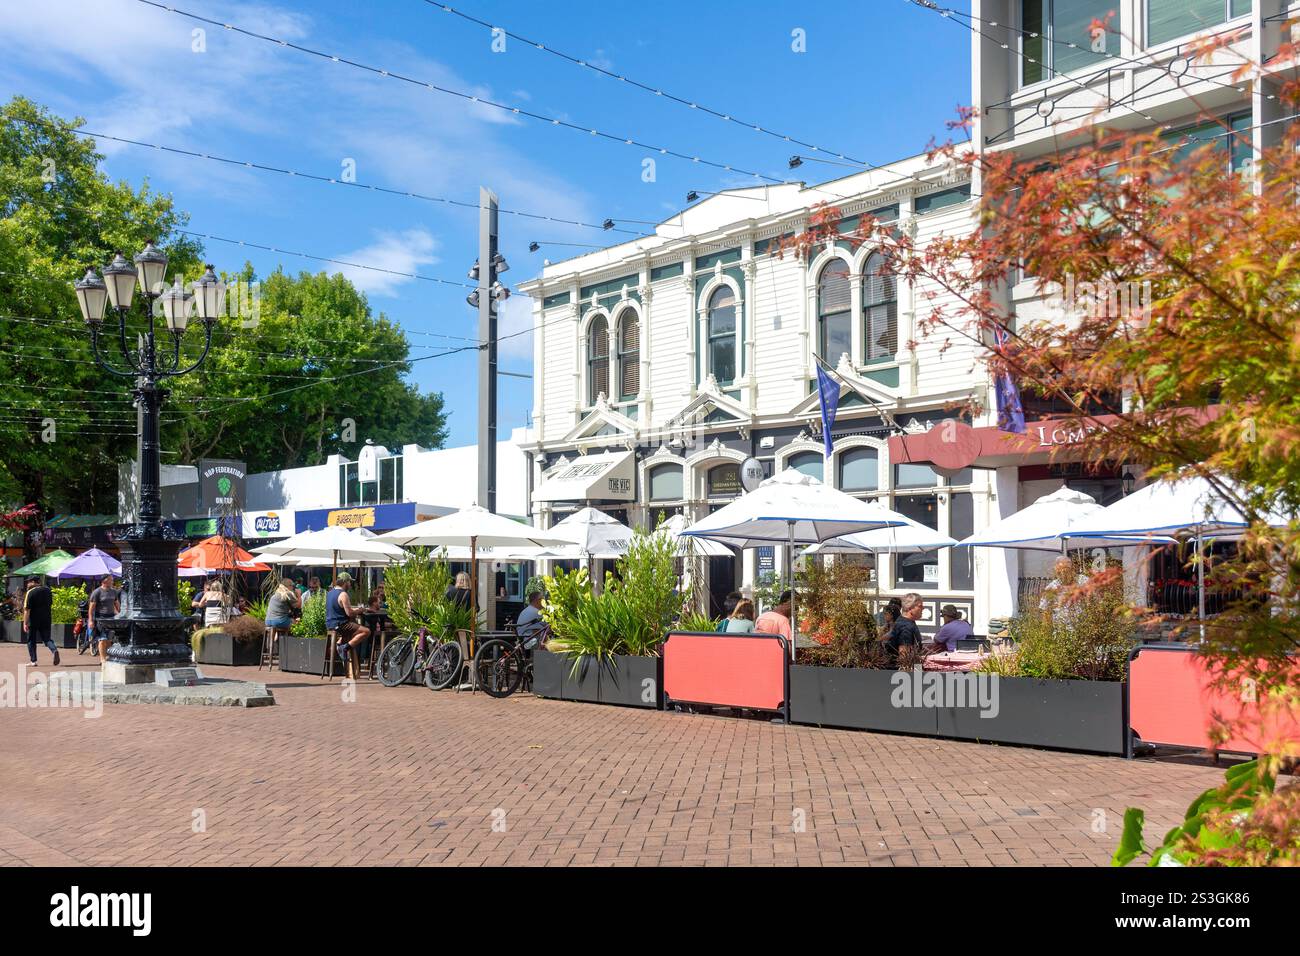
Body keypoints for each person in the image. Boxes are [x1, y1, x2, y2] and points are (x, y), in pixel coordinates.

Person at [326, 572, 370, 666]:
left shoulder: (329, 593)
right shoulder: (343, 594)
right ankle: (345, 647)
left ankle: (339, 644)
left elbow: (341, 608)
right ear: (345, 582)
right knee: (366, 631)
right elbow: (349, 613)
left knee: (351, 632)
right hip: (341, 624)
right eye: (349, 582)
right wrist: (360, 610)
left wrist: (356, 610)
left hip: (330, 624)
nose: (350, 584)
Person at [22, 578, 58, 666]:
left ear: (34, 582)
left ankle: (33, 661)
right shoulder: (48, 591)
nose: (27, 584)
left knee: (31, 640)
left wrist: (25, 622)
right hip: (46, 618)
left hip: (33, 620)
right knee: (47, 639)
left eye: (29, 582)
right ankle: (54, 650)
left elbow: (27, 610)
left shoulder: (30, 593)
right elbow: (50, 604)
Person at [87, 574, 121, 664]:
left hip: (111, 618)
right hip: (101, 618)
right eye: (111, 579)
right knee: (102, 639)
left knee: (109, 640)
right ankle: (102, 659)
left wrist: (120, 614)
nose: (112, 581)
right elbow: (91, 608)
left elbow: (116, 604)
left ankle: (108, 657)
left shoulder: (114, 592)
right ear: (104, 581)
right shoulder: (97, 592)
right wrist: (90, 621)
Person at [884, 592, 924, 663]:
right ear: (910, 608)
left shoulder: (904, 621)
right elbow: (905, 658)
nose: (923, 608)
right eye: (920, 606)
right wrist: (918, 672)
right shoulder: (906, 627)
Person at [514, 581, 547, 648]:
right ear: (538, 601)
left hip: (523, 640)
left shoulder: (527, 610)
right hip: (529, 642)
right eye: (543, 600)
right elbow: (548, 627)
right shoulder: (536, 612)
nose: (545, 602)